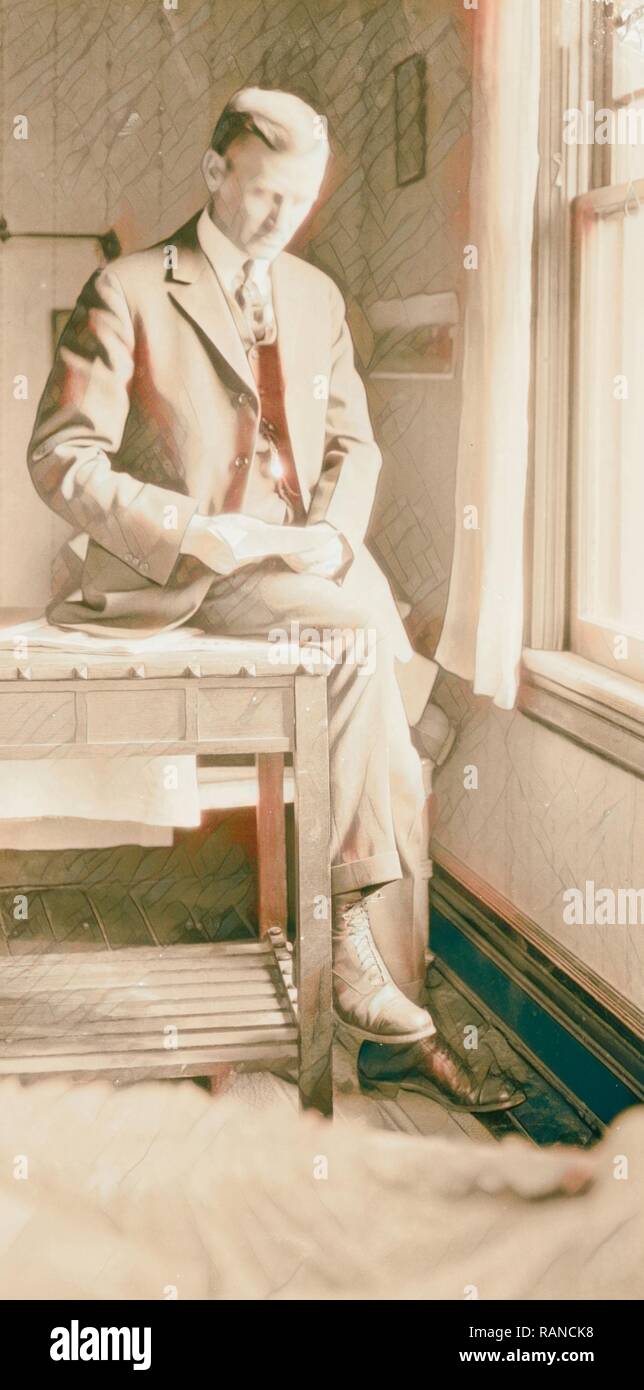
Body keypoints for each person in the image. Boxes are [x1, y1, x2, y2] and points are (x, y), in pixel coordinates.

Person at [27, 86, 522, 1112]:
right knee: (364, 659)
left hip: (307, 561)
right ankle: (350, 951)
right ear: (213, 174)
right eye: (260, 195)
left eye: (296, 202)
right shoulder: (126, 287)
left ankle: (380, 1000)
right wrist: (190, 527)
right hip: (190, 574)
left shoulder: (313, 295)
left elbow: (353, 444)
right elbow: (60, 458)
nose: (277, 220)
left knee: (393, 702)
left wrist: (336, 530)